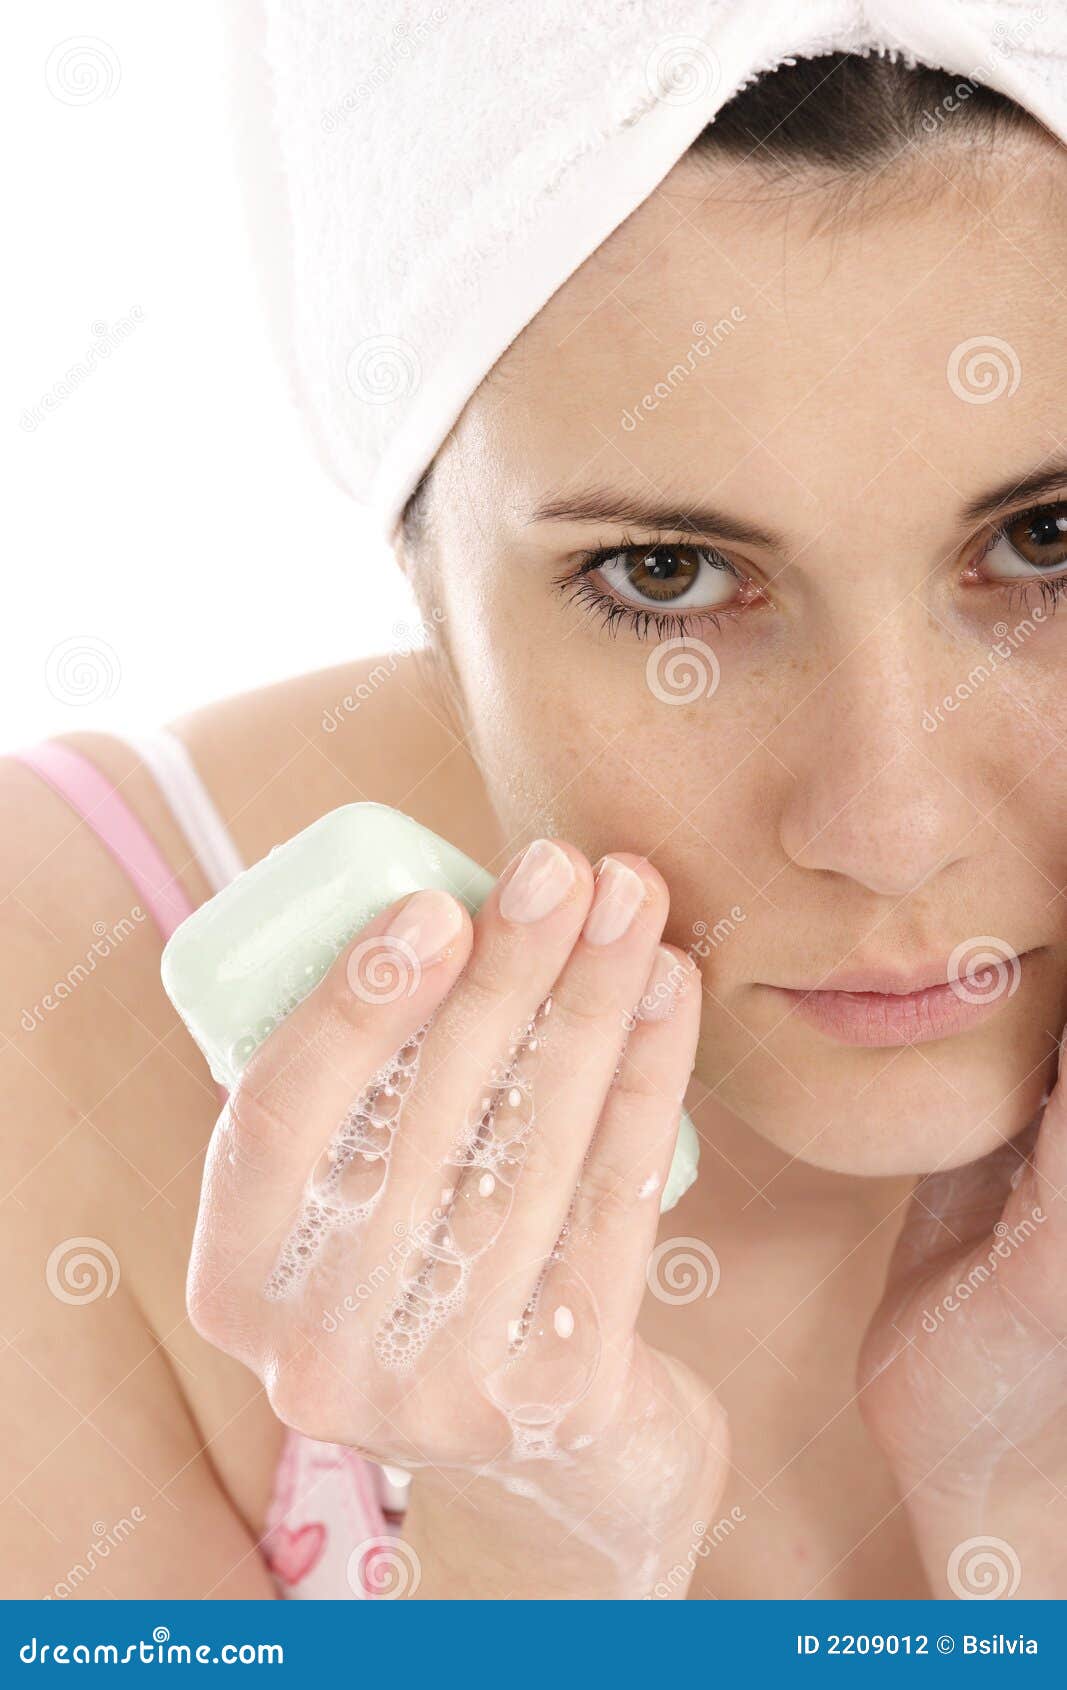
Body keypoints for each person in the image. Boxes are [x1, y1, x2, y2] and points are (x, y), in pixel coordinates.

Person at [4, 47, 1067, 1601]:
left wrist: (1021, 1504)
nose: (892, 828)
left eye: (1048, 538)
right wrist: (536, 1566)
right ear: (418, 566)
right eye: (669, 576)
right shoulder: (40, 1000)